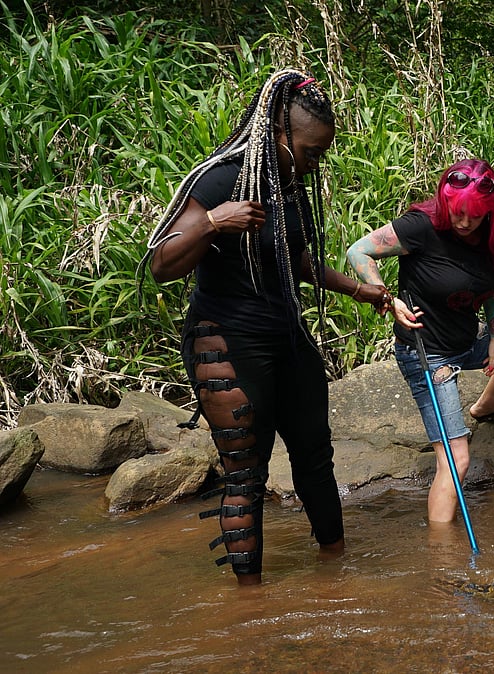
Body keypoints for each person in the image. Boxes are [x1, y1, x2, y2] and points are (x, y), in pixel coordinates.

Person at [143, 69, 392, 585]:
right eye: (310, 151)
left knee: (315, 460)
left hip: (286, 338)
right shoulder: (219, 179)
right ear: (279, 133)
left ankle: (335, 579)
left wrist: (356, 289)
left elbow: (295, 259)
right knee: (246, 477)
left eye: (321, 153)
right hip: (227, 341)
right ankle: (250, 610)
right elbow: (162, 264)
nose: (315, 162)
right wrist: (214, 221)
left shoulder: (290, 183)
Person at [346, 159, 494, 522]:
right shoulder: (421, 226)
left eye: (474, 215)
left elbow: (490, 287)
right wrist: (386, 299)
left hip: (467, 341)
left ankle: (485, 405)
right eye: (457, 212)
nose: (464, 222)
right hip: (427, 354)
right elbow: (357, 251)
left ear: (488, 211)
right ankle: (442, 563)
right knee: (457, 461)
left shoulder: (488, 235)